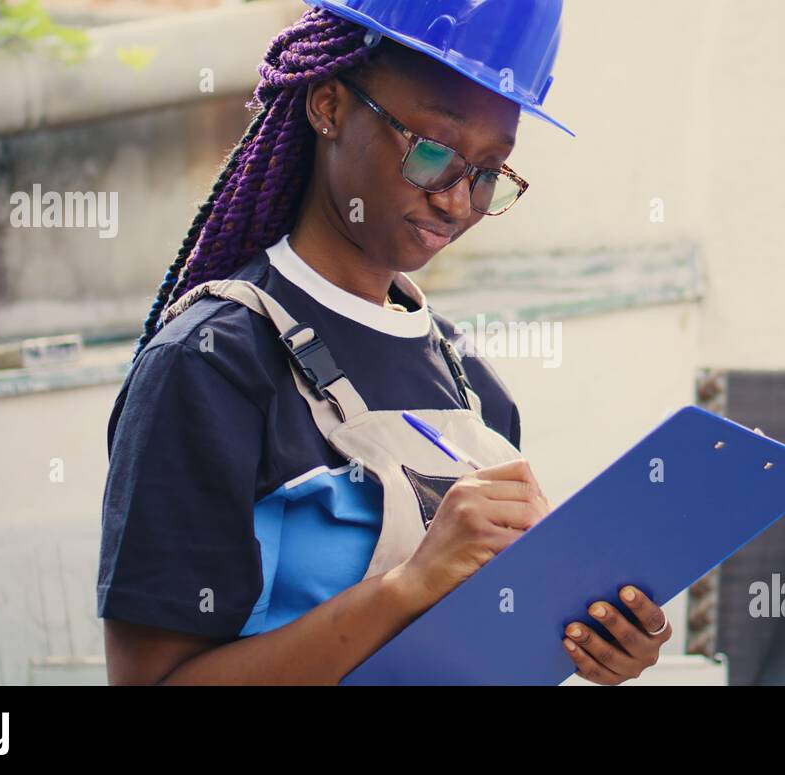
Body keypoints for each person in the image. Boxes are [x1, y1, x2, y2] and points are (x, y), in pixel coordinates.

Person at [97, 0, 670, 685]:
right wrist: (406, 586)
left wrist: (581, 635)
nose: (457, 201)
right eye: (434, 151)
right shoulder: (211, 367)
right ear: (330, 106)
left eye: (488, 174)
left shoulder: (473, 389)